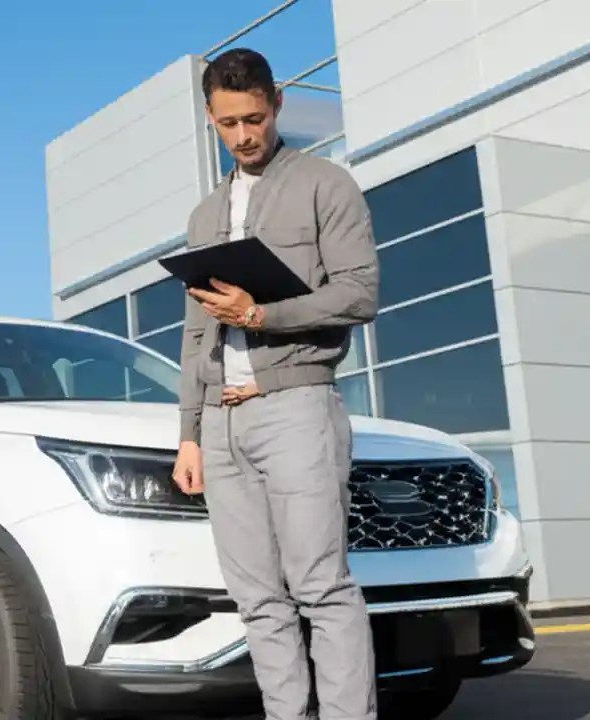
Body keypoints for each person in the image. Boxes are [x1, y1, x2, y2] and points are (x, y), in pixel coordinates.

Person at [171, 48, 380, 720]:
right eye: (228, 123)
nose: (243, 136)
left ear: (277, 104)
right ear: (210, 117)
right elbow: (194, 335)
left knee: (322, 588)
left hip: (295, 407)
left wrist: (261, 315)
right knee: (257, 601)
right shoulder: (205, 215)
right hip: (223, 427)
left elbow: (359, 292)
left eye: (254, 119)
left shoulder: (326, 183)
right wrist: (190, 435)